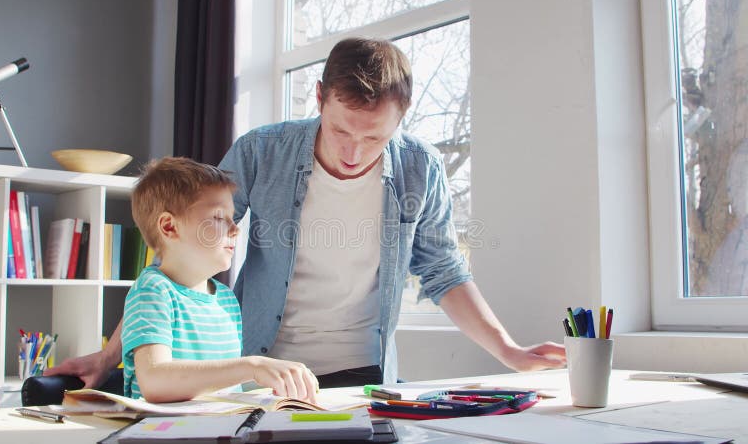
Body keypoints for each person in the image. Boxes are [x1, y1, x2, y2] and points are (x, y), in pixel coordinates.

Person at [47, 38, 565, 389]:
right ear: (319, 98)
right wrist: (109, 355)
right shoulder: (261, 153)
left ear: (400, 120)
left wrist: (510, 352)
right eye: (342, 130)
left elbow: (444, 271)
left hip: (363, 371)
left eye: (375, 138)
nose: (354, 153)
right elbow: (180, 251)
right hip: (261, 367)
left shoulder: (420, 168)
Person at [117, 157, 317, 402]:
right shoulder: (152, 291)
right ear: (169, 227)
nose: (235, 229)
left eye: (232, 217)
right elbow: (155, 381)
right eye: (219, 217)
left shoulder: (226, 299)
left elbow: (225, 390)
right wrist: (251, 366)